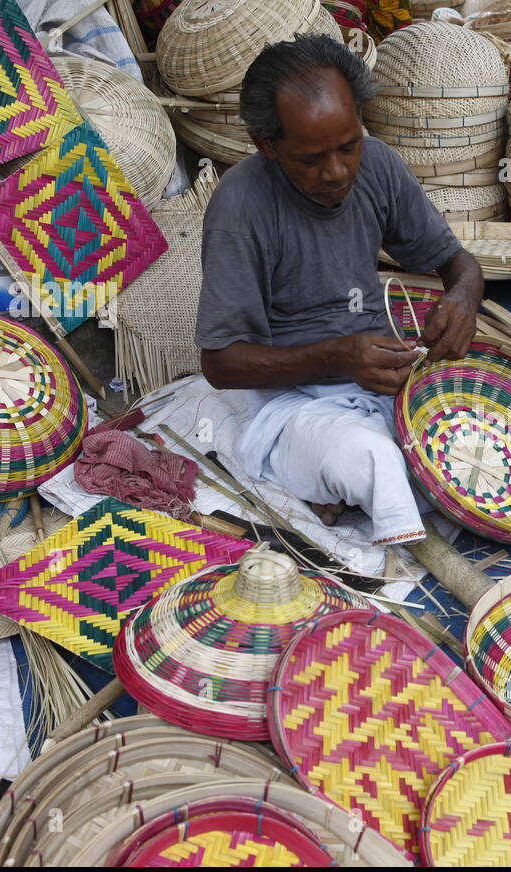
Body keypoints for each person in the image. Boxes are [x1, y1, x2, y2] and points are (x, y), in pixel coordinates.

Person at [195, 34, 485, 546]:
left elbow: (455, 263)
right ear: (268, 145)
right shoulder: (241, 207)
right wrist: (338, 357)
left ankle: (361, 491)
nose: (337, 172)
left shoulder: (376, 163)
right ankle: (378, 495)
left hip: (394, 381)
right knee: (368, 460)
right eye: (310, 158)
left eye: (347, 146)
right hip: (301, 404)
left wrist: (463, 296)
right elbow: (220, 365)